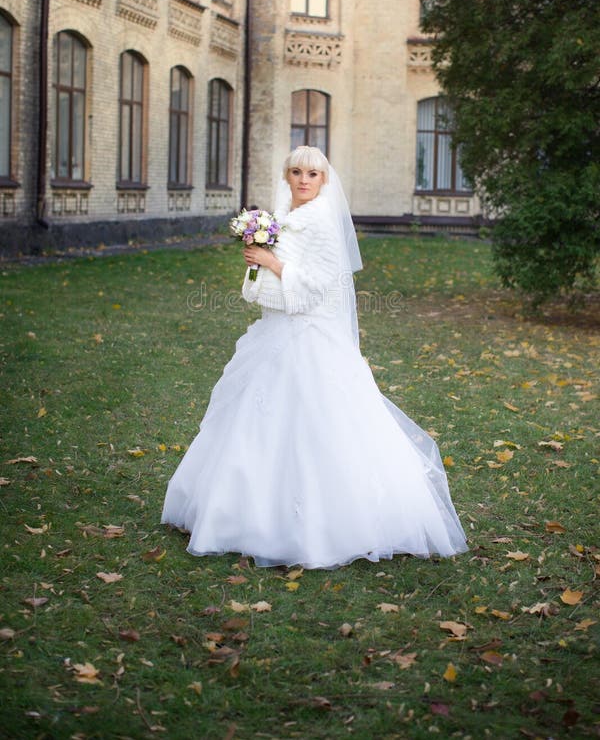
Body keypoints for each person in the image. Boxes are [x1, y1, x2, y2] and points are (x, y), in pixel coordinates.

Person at [161, 146, 468, 568]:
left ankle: (327, 525)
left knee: (317, 424)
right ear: (286, 177)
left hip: (310, 338)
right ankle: (240, 512)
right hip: (276, 332)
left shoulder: (321, 222)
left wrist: (271, 261)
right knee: (255, 423)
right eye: (296, 172)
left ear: (324, 180)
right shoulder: (283, 219)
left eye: (313, 173)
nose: (304, 180)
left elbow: (318, 287)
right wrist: (257, 263)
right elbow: (261, 285)